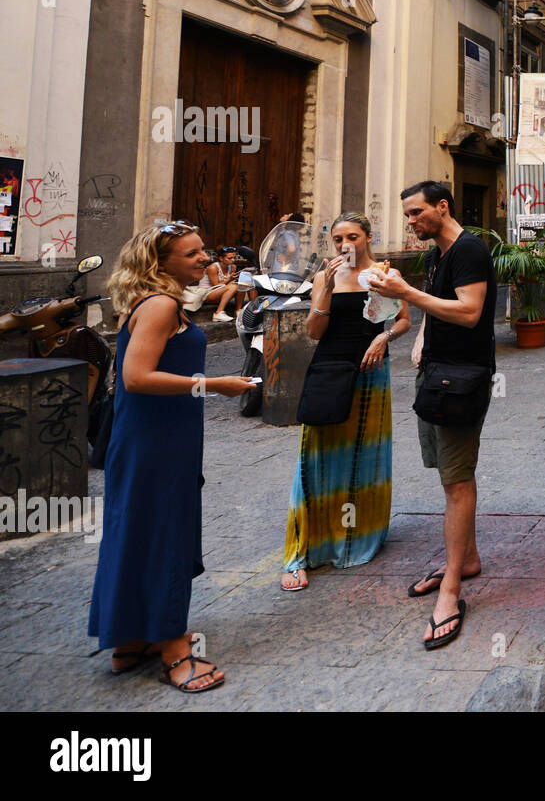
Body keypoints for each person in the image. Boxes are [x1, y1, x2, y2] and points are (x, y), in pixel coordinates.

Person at [89, 221, 257, 692]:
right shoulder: (162, 305)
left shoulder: (157, 300)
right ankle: (173, 648)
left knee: (139, 531)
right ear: (161, 264)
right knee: (165, 533)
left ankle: (129, 639)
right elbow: (137, 377)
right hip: (155, 439)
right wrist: (217, 385)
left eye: (203, 250)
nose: (204, 259)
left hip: (154, 435)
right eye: (192, 255)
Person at [368, 182, 497, 650]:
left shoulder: (469, 251)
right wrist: (422, 334)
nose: (411, 221)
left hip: (462, 382)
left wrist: (406, 293)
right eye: (407, 214)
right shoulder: (436, 255)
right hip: (437, 376)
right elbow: (434, 304)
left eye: (417, 212)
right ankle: (467, 559)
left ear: (443, 207)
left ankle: (450, 593)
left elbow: (469, 312)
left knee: (458, 481)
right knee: (448, 475)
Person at [281, 212, 411, 591]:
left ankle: (355, 537)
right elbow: (313, 332)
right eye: (338, 239)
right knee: (314, 457)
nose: (344, 245)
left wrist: (383, 337)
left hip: (371, 372)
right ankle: (301, 552)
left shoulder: (387, 273)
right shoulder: (325, 276)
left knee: (363, 455)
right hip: (330, 369)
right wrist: (322, 288)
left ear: (368, 237)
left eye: (352, 237)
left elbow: (404, 320)